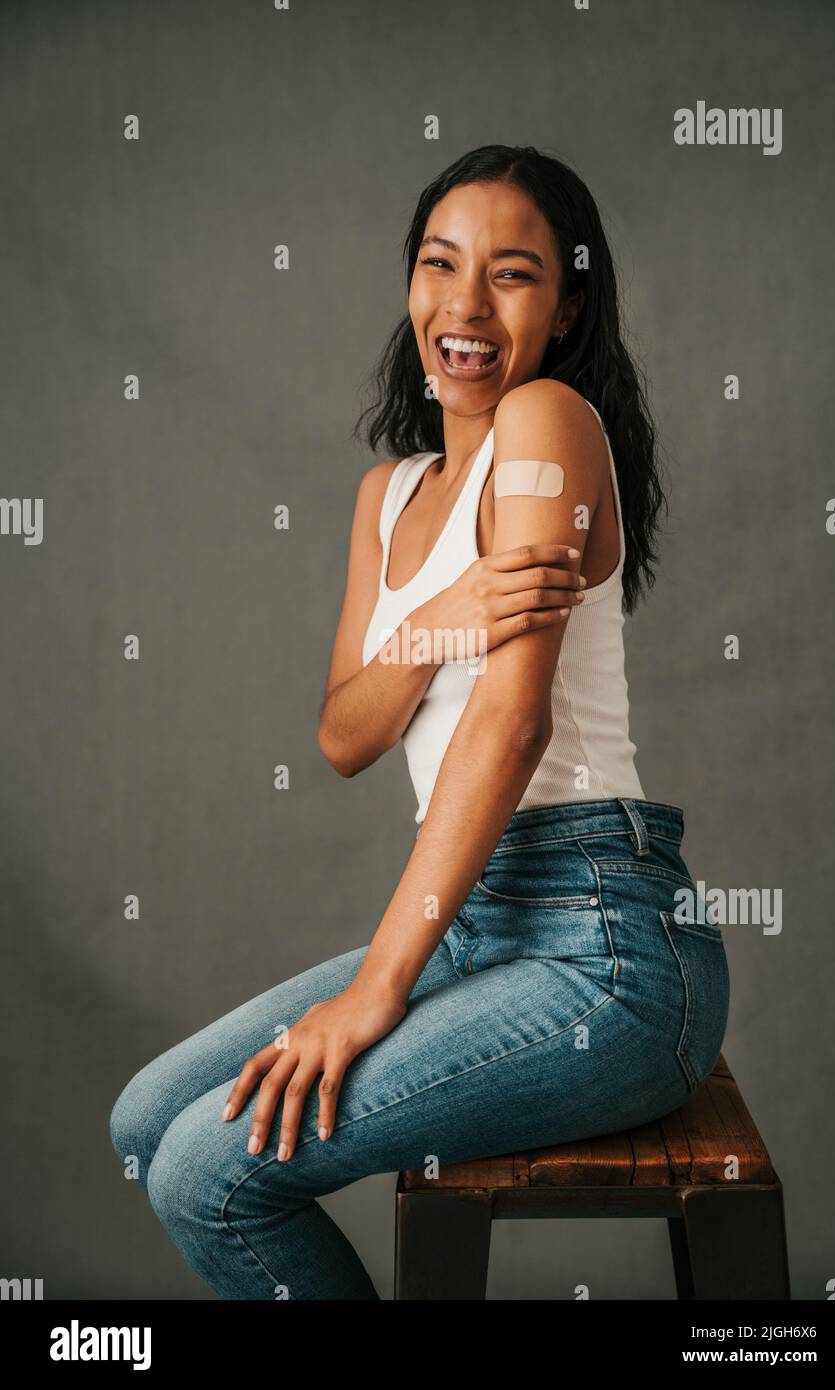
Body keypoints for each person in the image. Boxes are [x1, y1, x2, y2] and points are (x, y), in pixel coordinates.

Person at [109, 144, 729, 1300]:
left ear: (567, 303)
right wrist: (434, 619)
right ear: (410, 284)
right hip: (474, 921)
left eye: (514, 274)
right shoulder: (387, 496)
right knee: (145, 1120)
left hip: (604, 944)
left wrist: (375, 992)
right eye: (442, 264)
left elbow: (512, 725)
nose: (467, 303)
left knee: (205, 1169)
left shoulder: (547, 420)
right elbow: (345, 735)